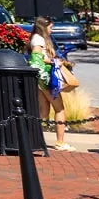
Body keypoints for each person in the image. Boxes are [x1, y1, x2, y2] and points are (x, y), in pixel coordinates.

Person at [29, 15, 70, 150]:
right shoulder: (38, 39)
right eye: (51, 27)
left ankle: (30, 137)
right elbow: (36, 58)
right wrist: (54, 61)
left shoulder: (37, 38)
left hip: (40, 79)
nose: (52, 30)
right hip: (45, 79)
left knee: (44, 111)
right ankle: (60, 142)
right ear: (44, 27)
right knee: (59, 108)